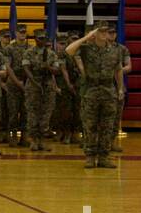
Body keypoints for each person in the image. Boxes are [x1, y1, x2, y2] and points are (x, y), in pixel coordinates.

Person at [65, 21, 122, 169]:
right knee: (89, 126)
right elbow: (69, 51)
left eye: (106, 31)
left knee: (107, 126)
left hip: (109, 91)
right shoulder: (86, 49)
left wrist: (120, 89)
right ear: (95, 33)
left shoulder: (116, 50)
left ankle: (103, 157)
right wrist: (86, 38)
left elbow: (118, 70)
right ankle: (90, 156)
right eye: (101, 32)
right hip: (91, 91)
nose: (105, 34)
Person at [21, 30, 59, 152]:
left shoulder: (52, 54)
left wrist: (47, 66)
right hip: (33, 85)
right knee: (32, 114)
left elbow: (56, 70)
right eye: (39, 38)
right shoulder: (28, 52)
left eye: (43, 38)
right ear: (35, 39)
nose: (41, 40)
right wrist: (34, 81)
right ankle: (33, 140)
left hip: (48, 85)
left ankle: (42, 140)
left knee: (46, 114)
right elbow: (26, 68)